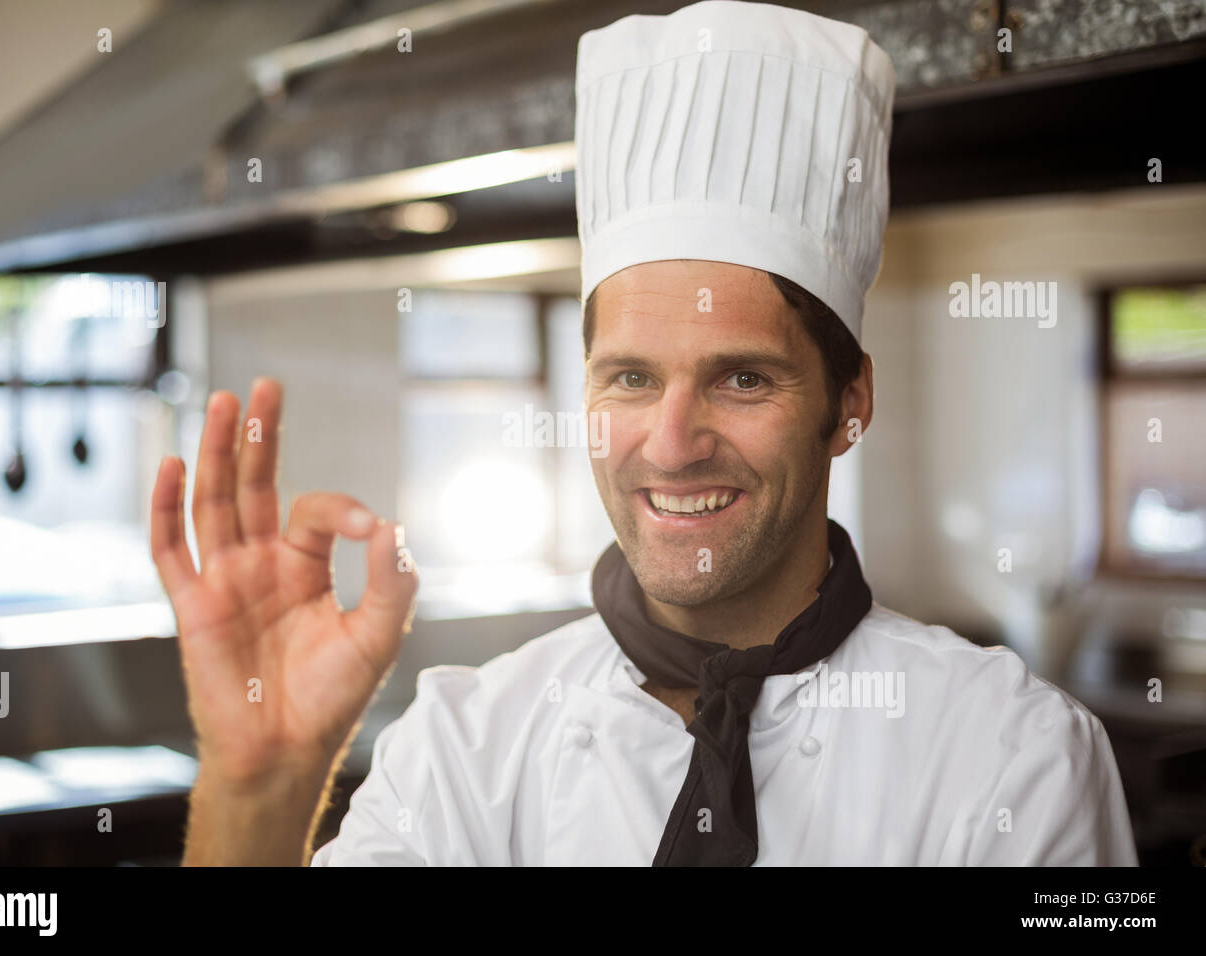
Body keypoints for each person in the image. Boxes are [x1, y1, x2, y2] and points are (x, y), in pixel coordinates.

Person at [152, 1, 1138, 866]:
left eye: (741, 377)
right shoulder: (464, 744)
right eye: (629, 376)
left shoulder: (1009, 750)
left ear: (849, 403)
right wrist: (262, 783)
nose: (669, 443)